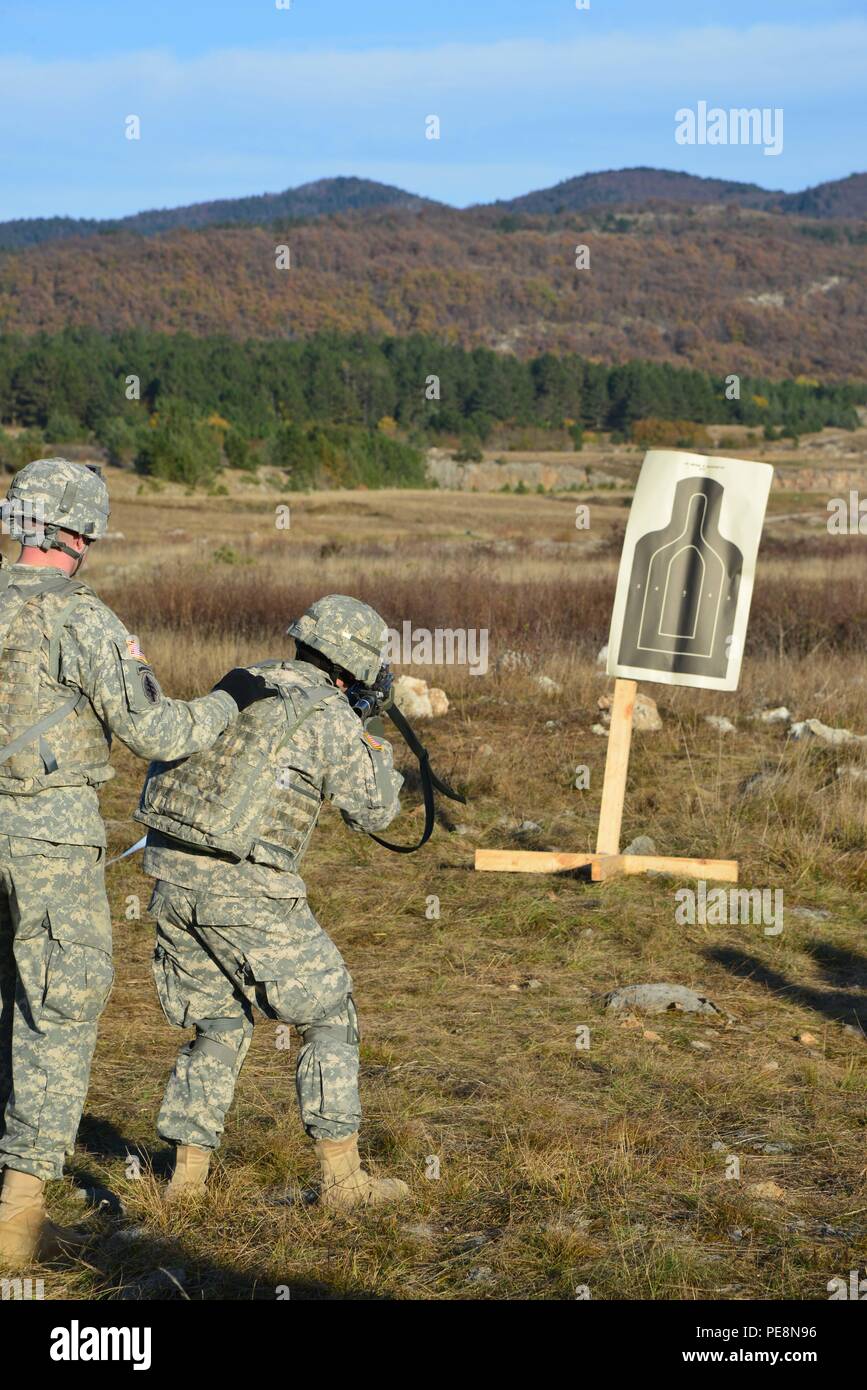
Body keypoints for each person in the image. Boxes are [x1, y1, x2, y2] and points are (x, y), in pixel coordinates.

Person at [0, 457, 269, 1265]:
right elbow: (159, 733)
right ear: (75, 533)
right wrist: (234, 696)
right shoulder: (84, 623)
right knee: (56, 1007)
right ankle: (17, 1221)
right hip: (46, 840)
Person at [136, 594, 410, 1209]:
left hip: (174, 881)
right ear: (353, 665)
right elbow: (377, 810)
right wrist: (372, 738)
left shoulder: (248, 679)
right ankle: (343, 1182)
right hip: (248, 890)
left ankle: (184, 1185)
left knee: (220, 1023)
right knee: (330, 1012)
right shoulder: (329, 714)